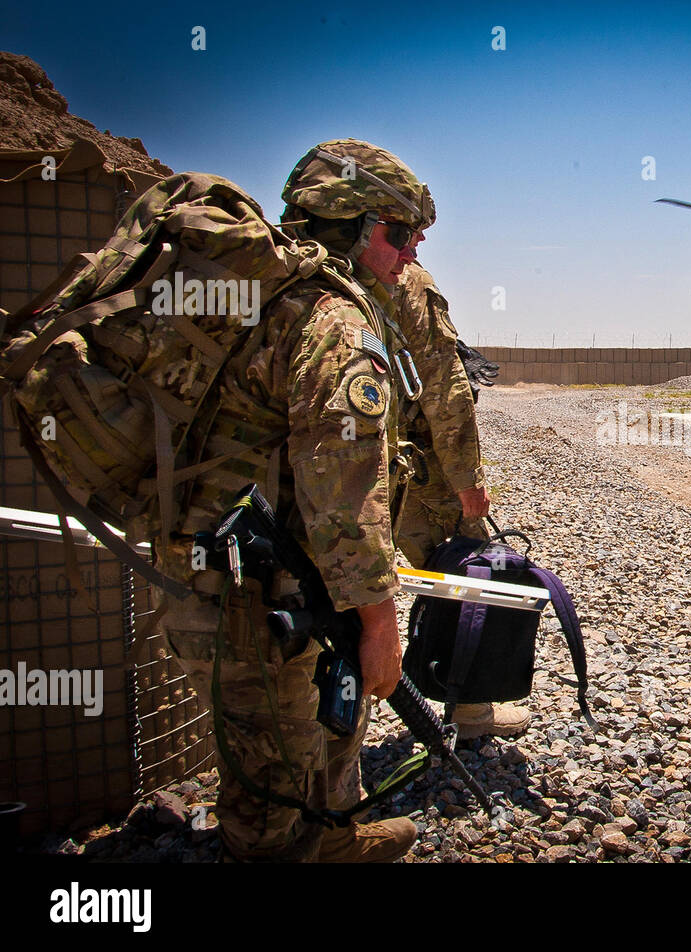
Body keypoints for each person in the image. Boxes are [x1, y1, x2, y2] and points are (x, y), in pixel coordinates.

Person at [159, 139, 434, 862]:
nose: (411, 254)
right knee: (271, 778)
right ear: (355, 223)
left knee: (319, 726)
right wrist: (380, 624)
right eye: (401, 233)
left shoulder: (253, 299)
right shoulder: (331, 325)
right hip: (256, 597)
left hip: (221, 572)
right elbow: (341, 496)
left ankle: (334, 840)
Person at [391, 261, 531, 737]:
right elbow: (446, 390)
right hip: (416, 470)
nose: (417, 242)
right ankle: (470, 712)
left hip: (342, 467)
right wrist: (467, 479)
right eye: (404, 228)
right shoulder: (405, 282)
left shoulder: (306, 270)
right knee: (462, 571)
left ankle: (329, 734)